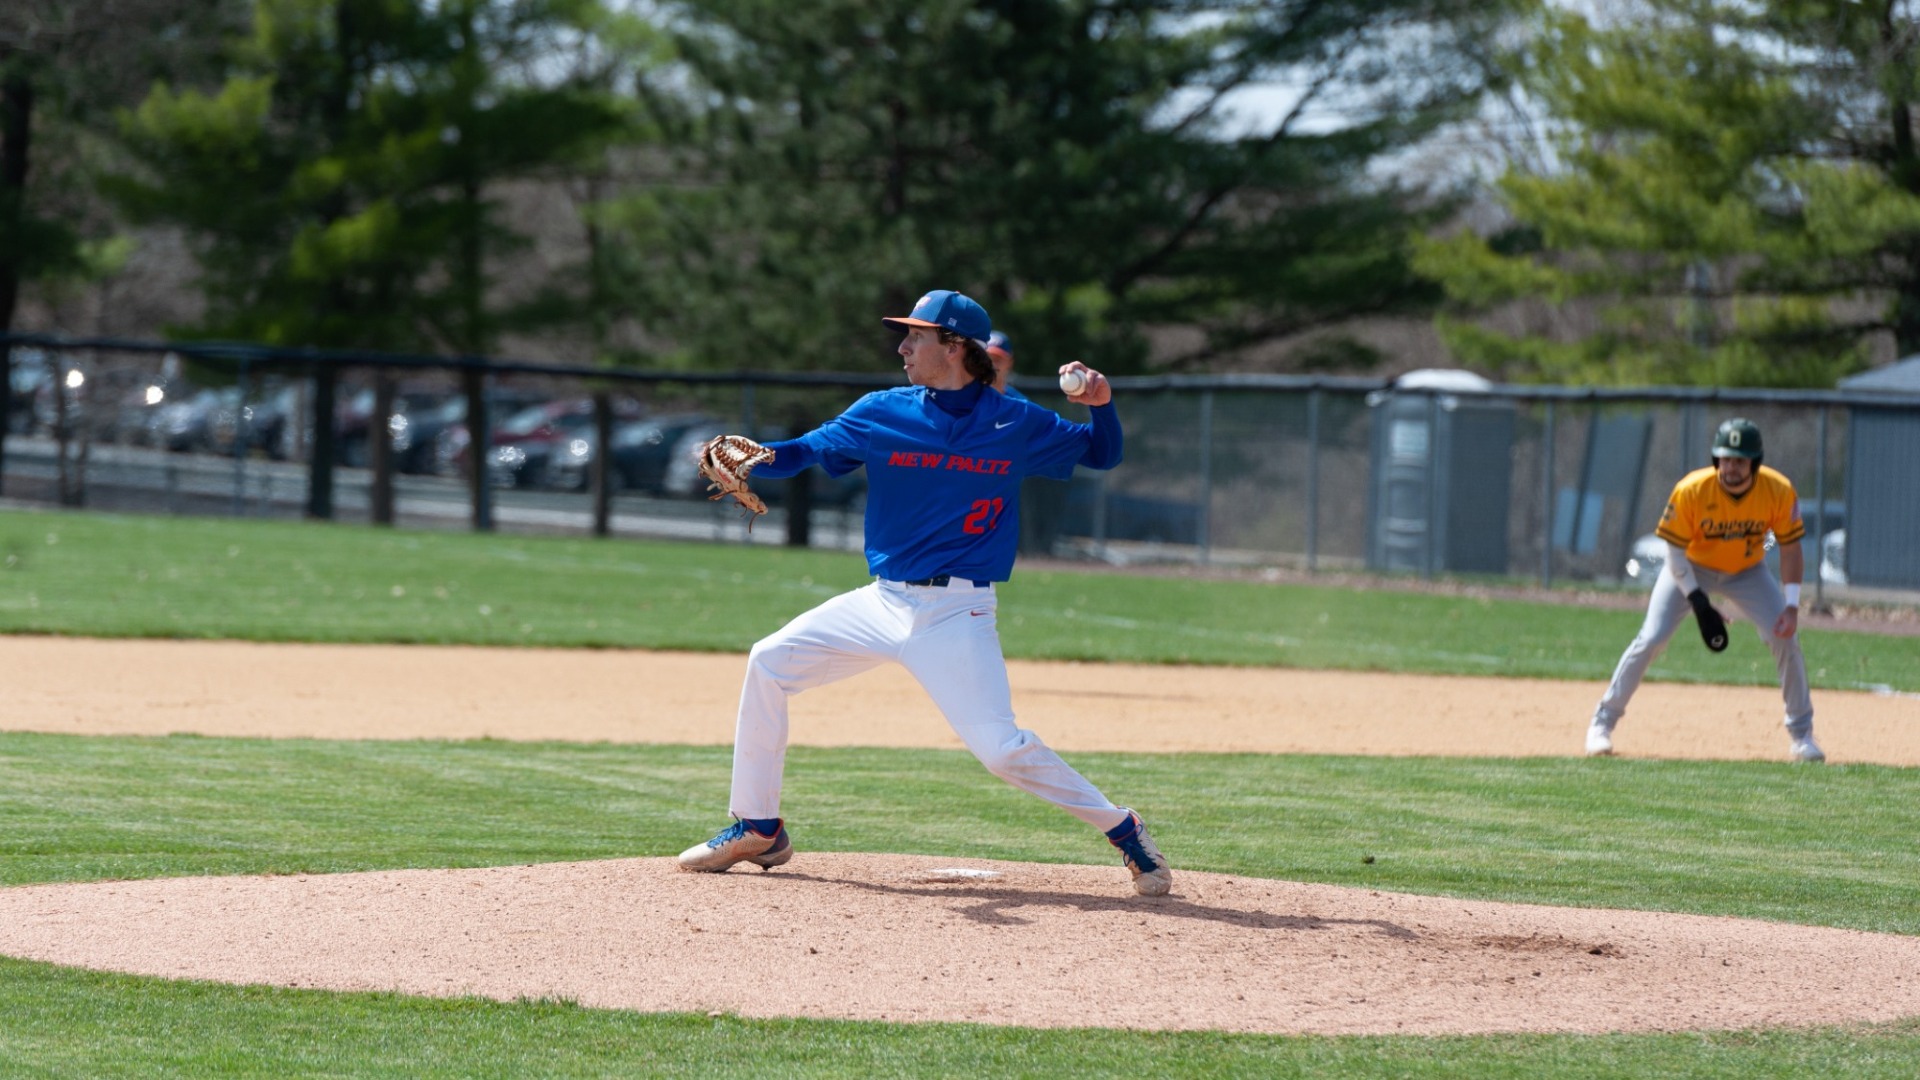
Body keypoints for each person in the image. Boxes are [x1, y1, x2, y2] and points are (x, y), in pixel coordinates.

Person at [676, 288, 1172, 896]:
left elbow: (1104, 452)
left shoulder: (1013, 421)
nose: (904, 345)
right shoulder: (884, 410)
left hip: (956, 612)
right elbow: (803, 452)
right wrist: (756, 459)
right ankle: (758, 826)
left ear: (957, 347)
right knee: (769, 662)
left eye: (918, 335)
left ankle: (1124, 830)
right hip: (881, 602)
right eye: (905, 334)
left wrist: (1102, 405)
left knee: (1001, 750)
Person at [1586, 417, 1822, 762]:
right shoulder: (1693, 489)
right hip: (1690, 569)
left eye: (1739, 460)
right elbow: (1674, 553)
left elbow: (1789, 547)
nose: (1731, 467)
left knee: (1784, 637)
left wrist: (1791, 605)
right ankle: (1601, 724)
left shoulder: (1778, 490)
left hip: (1747, 571)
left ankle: (1802, 736)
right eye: (1725, 459)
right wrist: (1699, 602)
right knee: (1652, 638)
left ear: (1754, 463)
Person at [985, 330, 1026, 400]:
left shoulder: (1020, 405)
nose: (991, 365)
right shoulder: (964, 401)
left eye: (997, 360)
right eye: (985, 359)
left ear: (1009, 363)